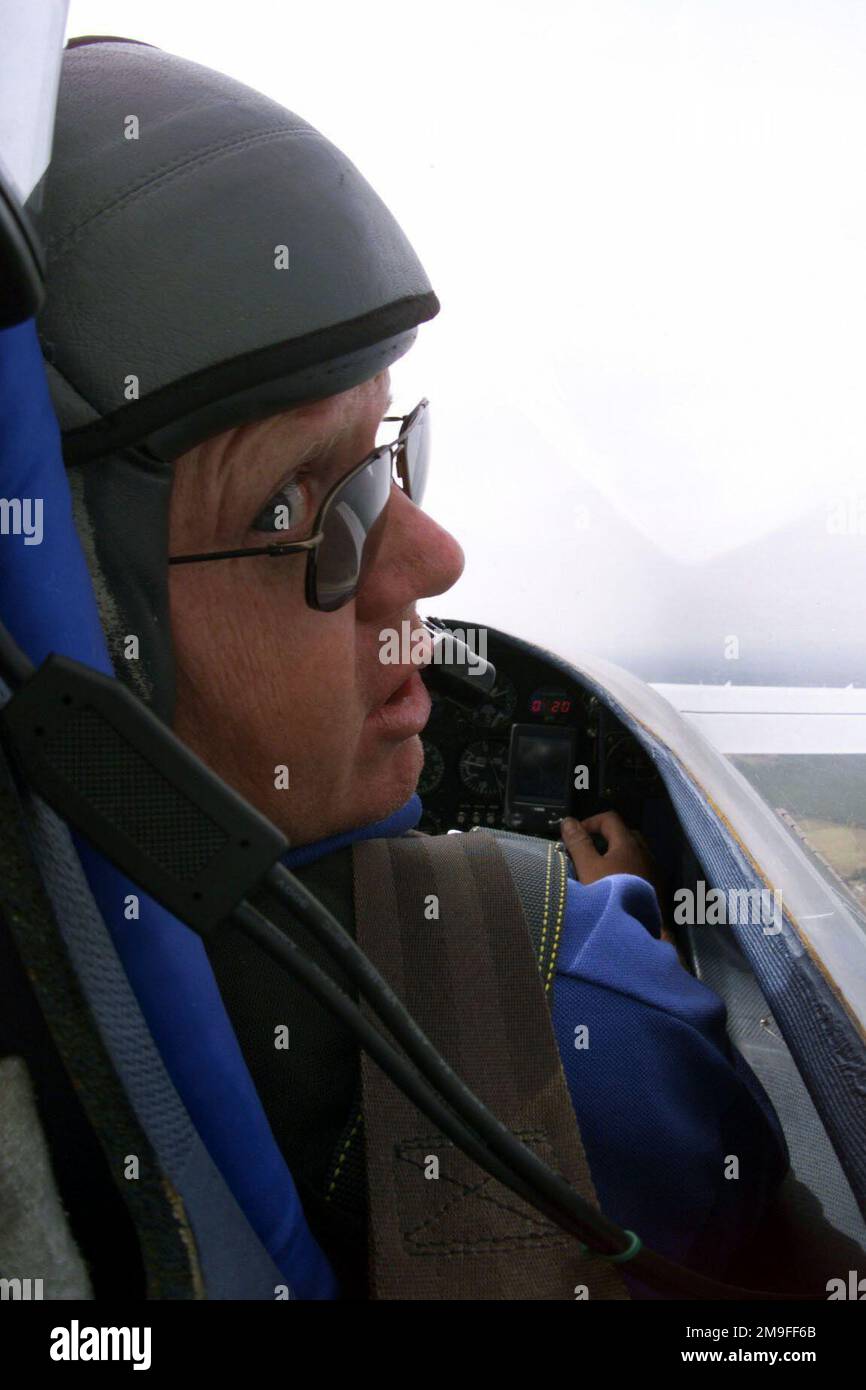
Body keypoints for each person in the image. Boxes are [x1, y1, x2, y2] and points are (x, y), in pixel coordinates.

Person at [33, 34, 789, 1299]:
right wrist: (608, 910)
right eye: (296, 502)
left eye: (386, 456)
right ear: (91, 626)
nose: (429, 558)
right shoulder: (567, 994)